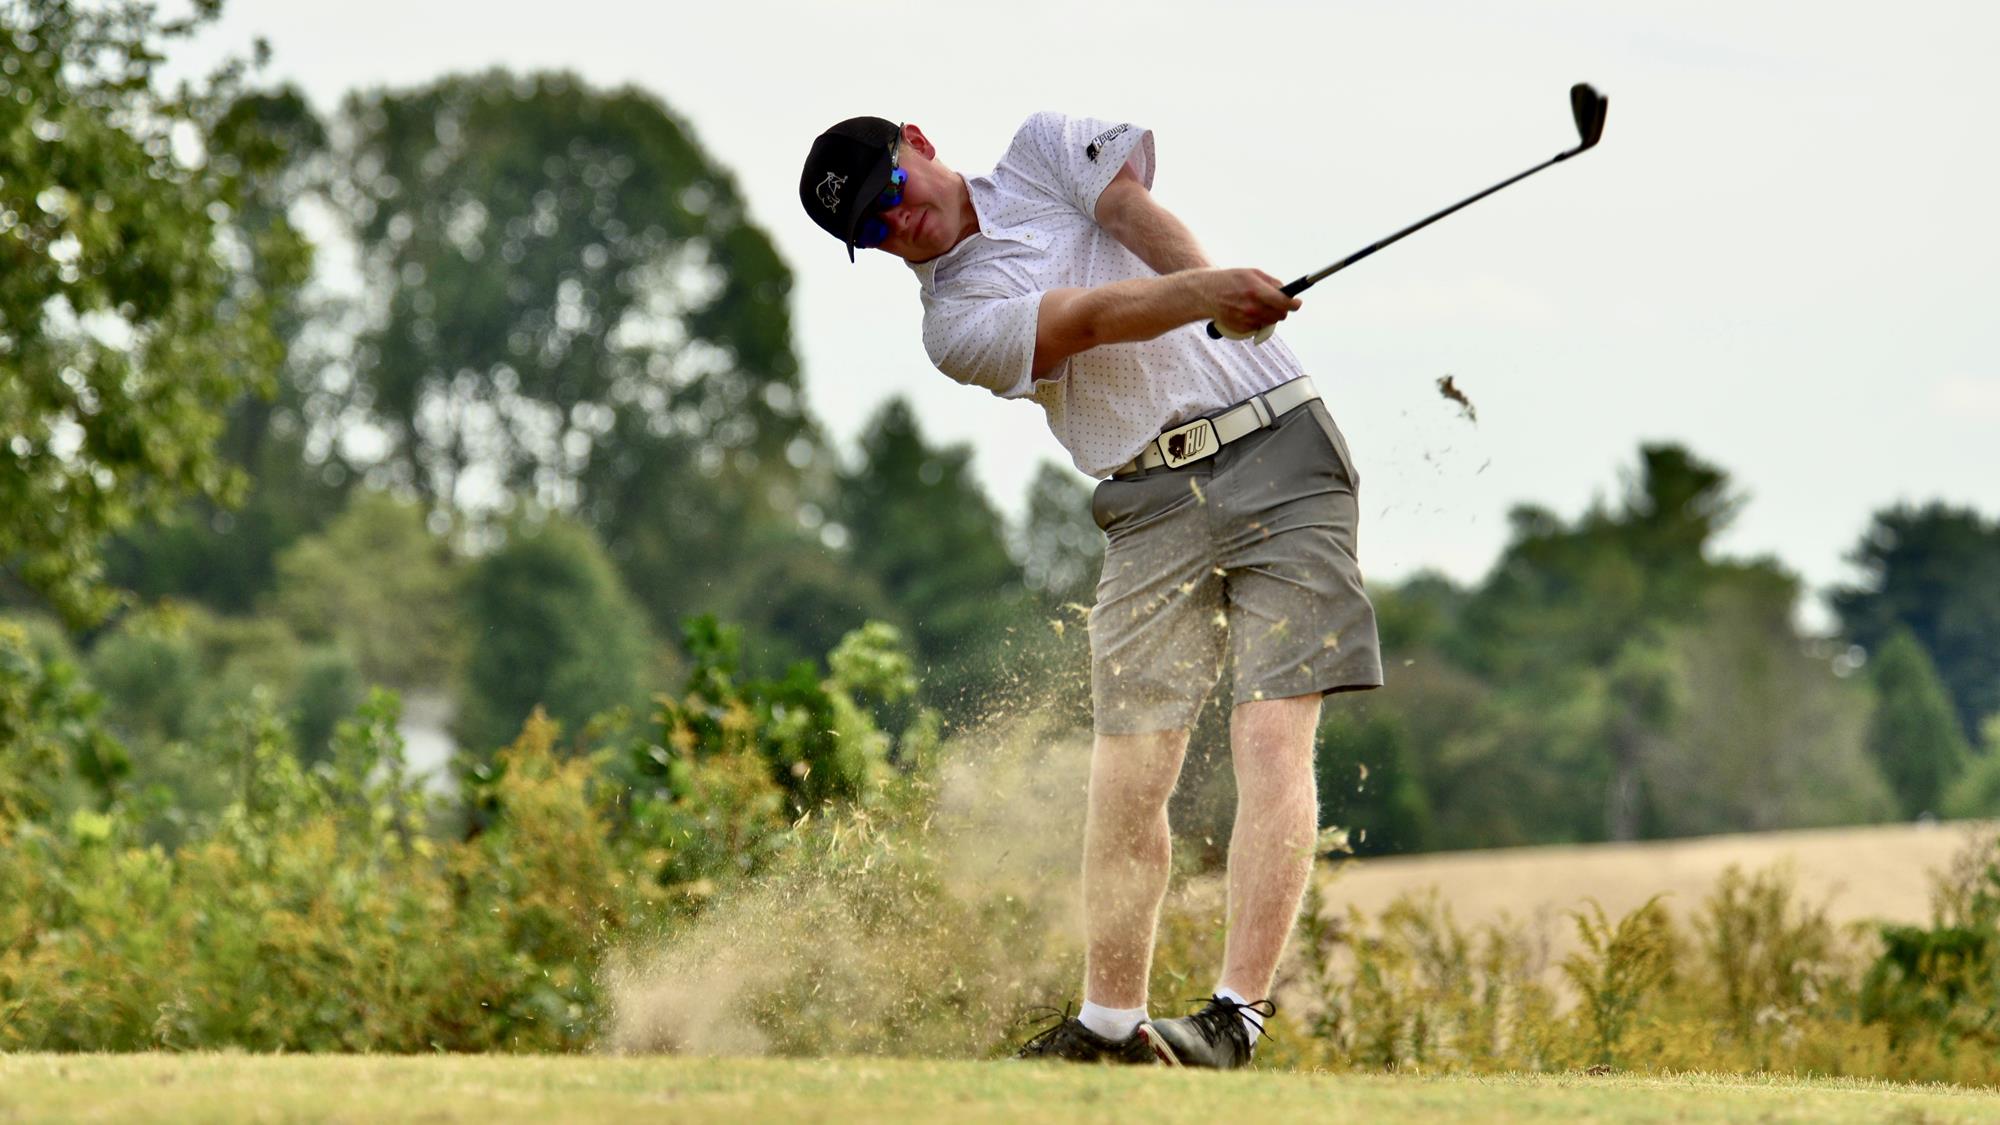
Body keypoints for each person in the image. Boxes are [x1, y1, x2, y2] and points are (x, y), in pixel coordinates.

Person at [797, 113, 1382, 1069]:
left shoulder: (1042, 150)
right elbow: (1092, 319)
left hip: (1283, 451)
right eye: (868, 230)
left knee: (1271, 731)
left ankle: (1234, 1016)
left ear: (918, 141)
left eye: (889, 193)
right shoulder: (954, 327)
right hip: (1148, 502)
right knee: (1130, 773)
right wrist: (1209, 297)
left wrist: (1213, 298)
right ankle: (1111, 1021)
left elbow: (1130, 211)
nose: (894, 225)